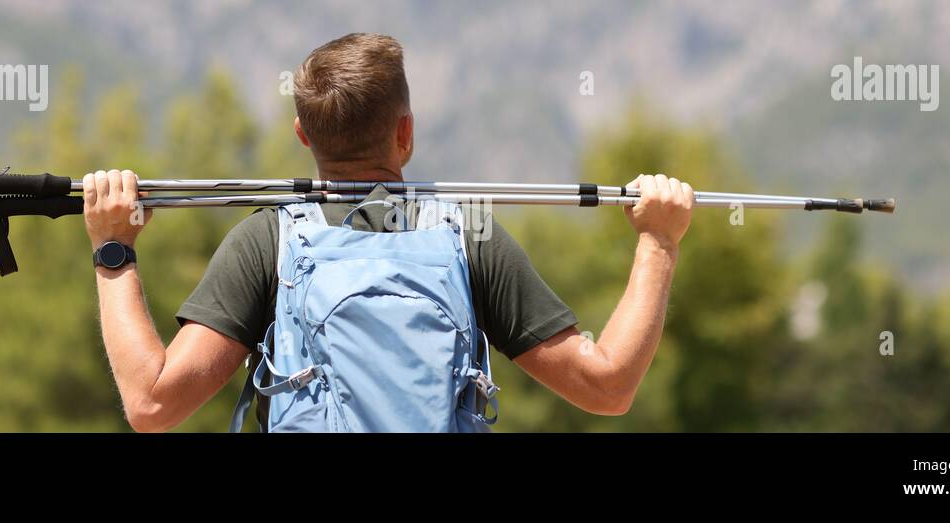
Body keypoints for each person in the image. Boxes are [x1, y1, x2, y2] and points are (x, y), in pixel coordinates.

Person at [82, 33, 694, 432]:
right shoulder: (469, 233)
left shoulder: (267, 241)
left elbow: (153, 403)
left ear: (303, 135)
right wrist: (658, 241)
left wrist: (114, 252)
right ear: (406, 133)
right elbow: (608, 387)